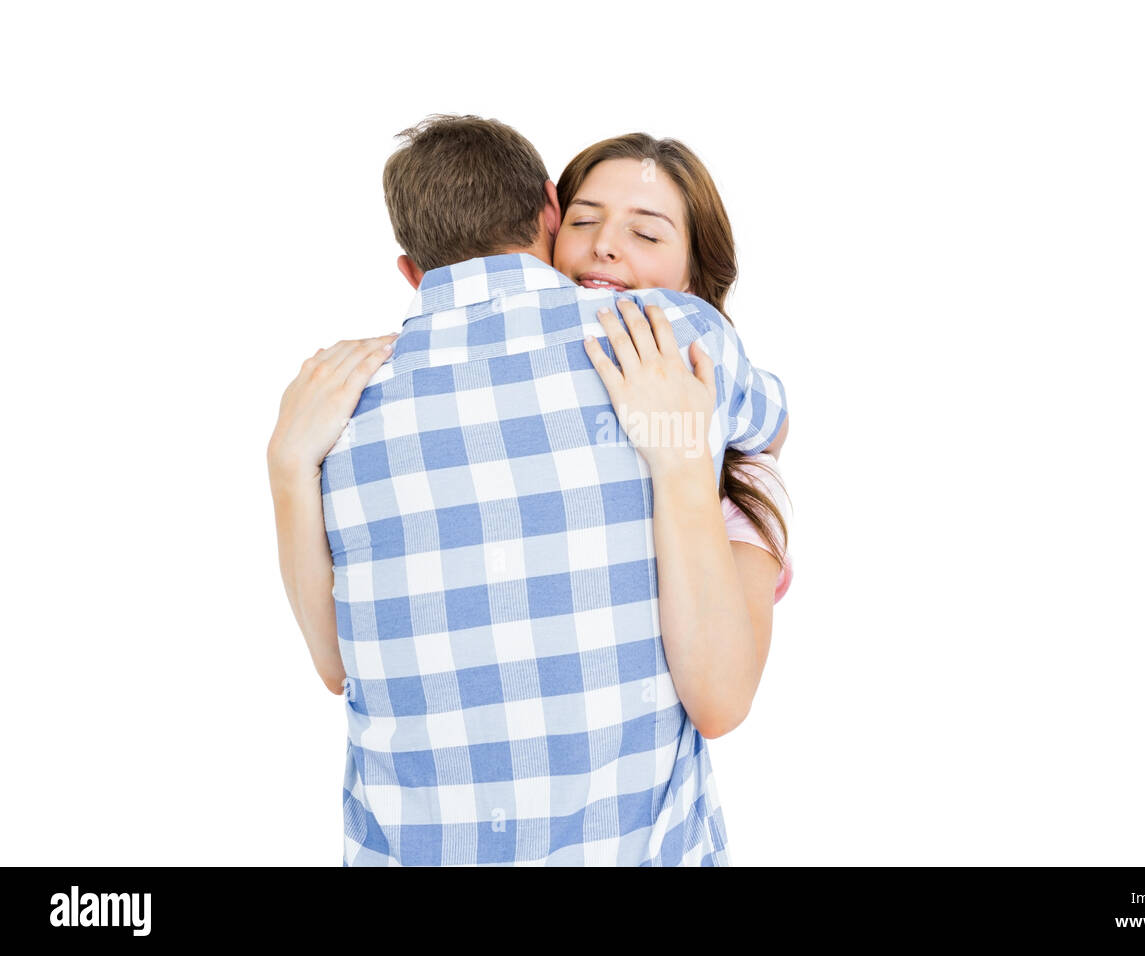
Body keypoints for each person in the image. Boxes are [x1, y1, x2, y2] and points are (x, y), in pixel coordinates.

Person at [267, 115, 789, 866]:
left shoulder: (357, 398)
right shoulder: (681, 334)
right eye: (585, 221)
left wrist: (682, 460)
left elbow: (721, 700)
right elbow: (773, 415)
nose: (608, 246)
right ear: (547, 221)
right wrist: (288, 466)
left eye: (647, 233)